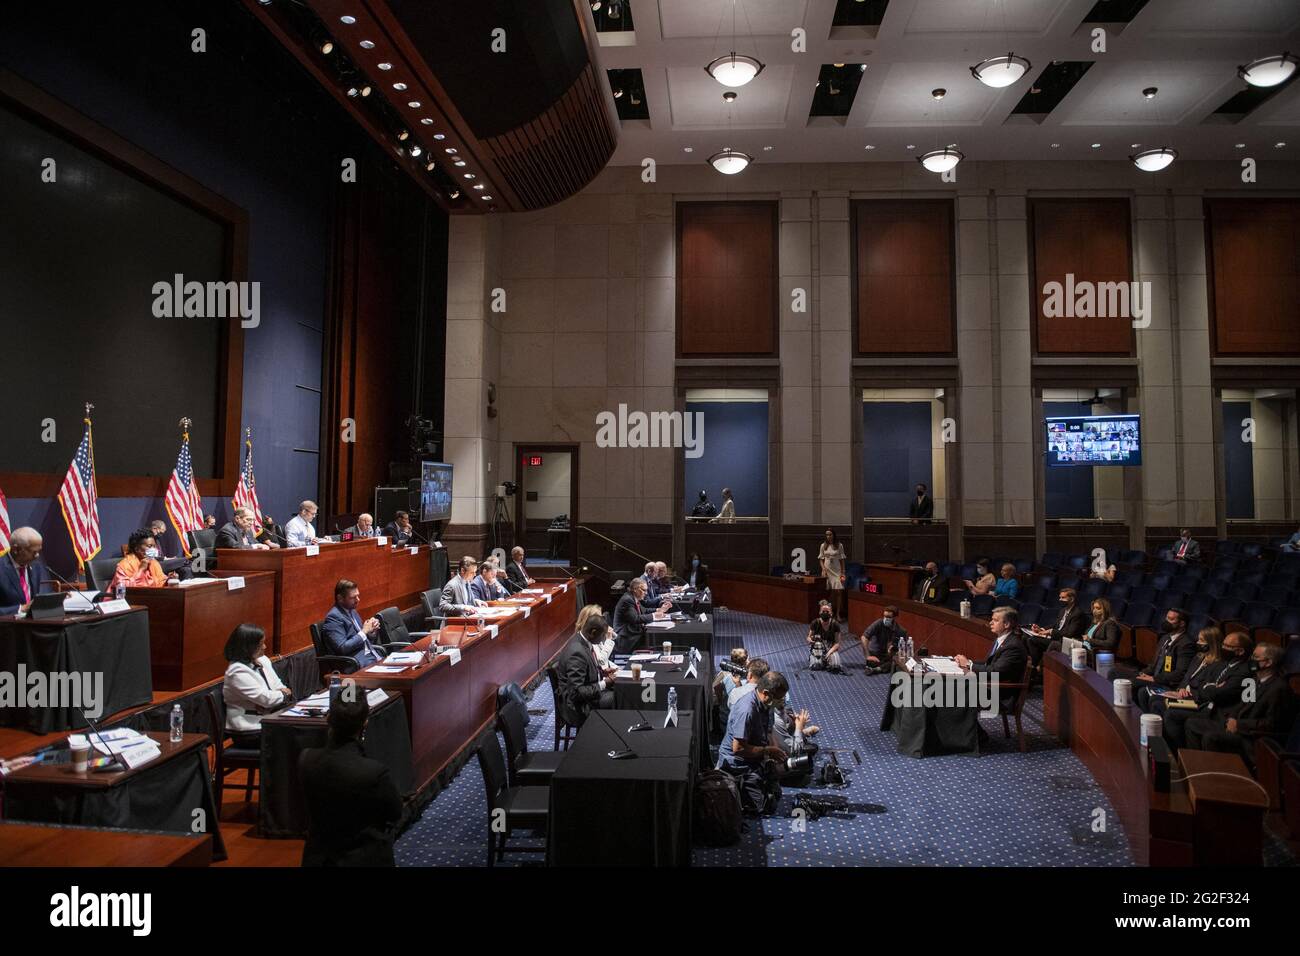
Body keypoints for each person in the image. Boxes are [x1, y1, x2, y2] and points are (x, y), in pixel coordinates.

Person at [299, 693, 404, 867]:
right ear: (365, 723)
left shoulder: (305, 759)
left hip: (318, 858)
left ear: (328, 719)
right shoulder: (374, 772)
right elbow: (395, 812)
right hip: (364, 857)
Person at [1183, 644, 1295, 764]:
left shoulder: (1279, 688)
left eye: (1256, 657)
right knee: (1192, 724)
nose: (1251, 660)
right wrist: (1231, 718)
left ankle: (1213, 774)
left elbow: (1271, 724)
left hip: (1251, 737)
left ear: (1268, 662)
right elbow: (1243, 704)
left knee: (1211, 737)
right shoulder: (1253, 680)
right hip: (1236, 726)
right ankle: (1196, 765)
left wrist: (1239, 724)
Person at [717, 670, 790, 815]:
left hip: (754, 756)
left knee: (789, 773)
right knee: (764, 806)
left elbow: (767, 733)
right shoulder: (747, 710)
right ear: (766, 693)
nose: (782, 701)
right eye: (779, 698)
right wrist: (767, 751)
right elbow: (738, 749)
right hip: (736, 763)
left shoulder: (766, 705)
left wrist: (774, 754)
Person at [1158, 629, 1248, 743]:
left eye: (1227, 646)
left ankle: (1180, 754)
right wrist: (1211, 687)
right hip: (1207, 704)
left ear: (1240, 651)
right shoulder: (1226, 664)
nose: (1222, 647)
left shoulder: (1245, 672)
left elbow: (1220, 693)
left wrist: (1210, 688)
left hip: (1217, 712)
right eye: (1223, 644)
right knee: (1162, 704)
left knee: (1176, 716)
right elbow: (1205, 686)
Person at [222, 624, 292, 742]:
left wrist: (276, 696)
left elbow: (279, 686)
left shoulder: (263, 660)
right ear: (247, 647)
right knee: (294, 736)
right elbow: (266, 699)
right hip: (249, 728)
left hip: (269, 718)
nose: (265, 647)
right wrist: (283, 695)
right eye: (260, 644)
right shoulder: (236, 671)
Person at [954, 606, 1029, 711]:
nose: (990, 623)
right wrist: (968, 661)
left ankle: (969, 727)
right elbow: (988, 663)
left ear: (1006, 624)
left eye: (995, 620)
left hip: (1001, 696)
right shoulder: (1001, 640)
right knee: (953, 687)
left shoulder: (1013, 646)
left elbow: (995, 671)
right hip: (991, 688)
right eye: (992, 619)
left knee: (954, 691)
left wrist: (968, 665)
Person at [557, 614, 617, 727]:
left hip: (587, 697)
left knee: (621, 690)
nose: (604, 638)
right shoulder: (577, 652)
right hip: (578, 706)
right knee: (618, 698)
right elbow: (576, 693)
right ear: (593, 632)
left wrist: (602, 672)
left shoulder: (583, 640)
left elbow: (585, 671)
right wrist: (605, 683)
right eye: (603, 635)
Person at [1132, 608, 1195, 711]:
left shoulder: (1186, 644)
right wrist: (1142, 673)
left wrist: (1154, 679)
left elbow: (1180, 673)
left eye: (1171, 619)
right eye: (1166, 618)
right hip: (1156, 678)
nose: (1166, 622)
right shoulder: (1164, 638)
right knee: (1120, 674)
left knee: (1134, 684)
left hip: (1167, 683)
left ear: (1182, 623)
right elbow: (1154, 665)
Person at [321, 578, 388, 668]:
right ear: (340, 598)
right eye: (353, 597)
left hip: (374, 657)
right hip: (358, 665)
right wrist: (364, 631)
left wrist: (371, 631)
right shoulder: (333, 618)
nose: (358, 600)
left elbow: (365, 640)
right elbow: (343, 648)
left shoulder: (352, 611)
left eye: (357, 596)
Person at [1027, 587, 1087, 665]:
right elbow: (1056, 625)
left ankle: (1035, 667)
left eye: (1063, 598)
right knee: (1026, 637)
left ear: (1071, 599)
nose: (1060, 600)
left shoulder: (1078, 613)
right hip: (1055, 638)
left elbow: (1069, 633)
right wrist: (1041, 629)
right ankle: (1035, 665)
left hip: (1064, 641)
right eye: (1060, 597)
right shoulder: (1063, 610)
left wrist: (1051, 632)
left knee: (1032, 640)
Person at [612, 576, 670, 655]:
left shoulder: (633, 597)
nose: (646, 593)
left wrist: (659, 610)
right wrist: (654, 615)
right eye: (644, 590)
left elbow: (644, 610)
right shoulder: (627, 600)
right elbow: (635, 619)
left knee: (655, 637)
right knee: (655, 639)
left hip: (633, 631)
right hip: (627, 636)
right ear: (635, 589)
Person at [0, 527, 49, 615]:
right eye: (33, 552)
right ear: (16, 550)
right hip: (7, 626)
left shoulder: (35, 567)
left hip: (33, 624)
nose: (37, 556)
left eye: (38, 551)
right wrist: (20, 609)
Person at [109, 529, 177, 591]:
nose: (154, 549)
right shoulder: (125, 565)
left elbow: (160, 582)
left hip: (150, 598)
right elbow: (122, 589)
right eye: (150, 546)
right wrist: (141, 570)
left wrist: (169, 579)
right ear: (137, 549)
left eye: (154, 546)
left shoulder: (153, 562)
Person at [861, 605, 907, 675]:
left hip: (889, 656)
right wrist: (867, 656)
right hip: (875, 653)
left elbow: (903, 649)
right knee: (873, 662)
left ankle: (876, 669)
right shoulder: (879, 623)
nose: (886, 619)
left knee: (897, 662)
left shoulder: (900, 630)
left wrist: (894, 650)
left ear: (894, 617)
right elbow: (864, 637)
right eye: (885, 616)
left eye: (889, 617)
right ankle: (880, 668)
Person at [807, 600, 845, 672]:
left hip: (830, 648)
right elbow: (808, 637)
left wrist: (829, 652)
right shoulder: (815, 622)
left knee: (835, 666)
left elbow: (837, 643)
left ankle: (827, 659)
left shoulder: (835, 624)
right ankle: (815, 658)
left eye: (827, 612)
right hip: (818, 648)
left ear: (831, 613)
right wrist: (810, 640)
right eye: (823, 611)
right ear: (819, 612)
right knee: (816, 666)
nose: (825, 613)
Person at [576, 603, 617, 668]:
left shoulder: (596, 632)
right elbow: (600, 661)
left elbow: (615, 636)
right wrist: (608, 640)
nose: (602, 620)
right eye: (599, 617)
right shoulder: (588, 637)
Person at [713, 648, 749, 720]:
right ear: (744, 662)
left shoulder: (723, 673)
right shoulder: (748, 678)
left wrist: (721, 701)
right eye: (748, 659)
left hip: (725, 714)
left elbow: (715, 687)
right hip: (738, 716)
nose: (749, 661)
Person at [819, 528, 846, 615]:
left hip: (837, 571)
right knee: (827, 592)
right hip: (827, 571)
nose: (828, 536)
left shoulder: (839, 545)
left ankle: (838, 614)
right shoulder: (823, 545)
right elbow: (821, 559)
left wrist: (843, 572)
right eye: (827, 535)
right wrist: (823, 569)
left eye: (830, 534)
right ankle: (827, 613)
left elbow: (842, 560)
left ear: (834, 535)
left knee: (838, 592)